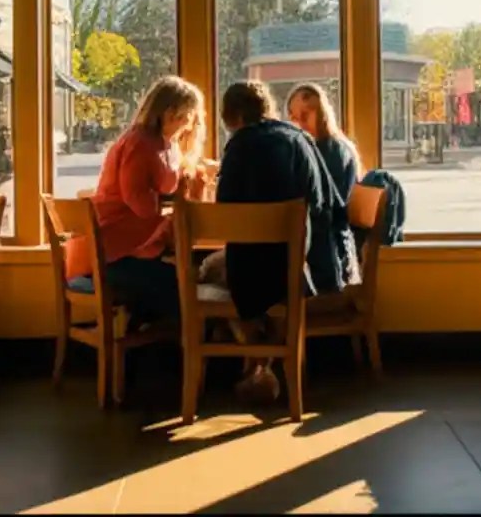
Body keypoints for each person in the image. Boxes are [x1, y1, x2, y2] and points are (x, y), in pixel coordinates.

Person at [214, 80, 356, 402]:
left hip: (251, 276)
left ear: (231, 116)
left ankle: (255, 363)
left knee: (209, 272)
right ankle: (270, 363)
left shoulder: (240, 145)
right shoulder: (301, 139)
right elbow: (325, 207)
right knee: (270, 268)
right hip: (307, 270)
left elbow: (225, 214)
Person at [63, 75, 205, 328]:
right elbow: (140, 205)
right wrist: (172, 199)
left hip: (119, 248)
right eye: (185, 117)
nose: (187, 125)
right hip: (109, 255)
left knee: (176, 279)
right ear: (169, 113)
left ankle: (143, 349)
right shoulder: (140, 144)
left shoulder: (161, 143)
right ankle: (190, 358)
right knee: (182, 283)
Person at [285, 83, 362, 205]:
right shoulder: (301, 150)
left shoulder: (336, 149)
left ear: (322, 114)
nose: (299, 123)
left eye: (305, 115)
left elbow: (327, 204)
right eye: (294, 119)